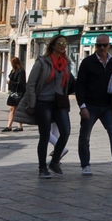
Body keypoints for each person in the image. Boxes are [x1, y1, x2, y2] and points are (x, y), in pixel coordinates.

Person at [76, 34, 112, 177]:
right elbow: (79, 86)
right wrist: (82, 106)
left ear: (109, 45)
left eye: (104, 45)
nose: (102, 48)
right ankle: (85, 165)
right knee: (85, 136)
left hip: (108, 105)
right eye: (99, 45)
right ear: (95, 46)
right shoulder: (87, 62)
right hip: (90, 105)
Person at [23, 35, 75, 178]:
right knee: (45, 135)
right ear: (53, 45)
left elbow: (68, 83)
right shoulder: (42, 62)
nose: (63, 45)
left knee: (65, 131)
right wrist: (32, 104)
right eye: (60, 43)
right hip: (43, 102)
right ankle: (42, 168)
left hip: (59, 102)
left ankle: (54, 161)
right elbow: (31, 84)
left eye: (65, 43)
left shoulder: (66, 63)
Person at [5, 56, 27, 131]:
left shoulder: (21, 71)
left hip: (19, 92)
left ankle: (19, 126)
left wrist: (10, 83)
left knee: (17, 109)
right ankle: (9, 126)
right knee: (12, 108)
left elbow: (20, 83)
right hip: (13, 91)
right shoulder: (13, 70)